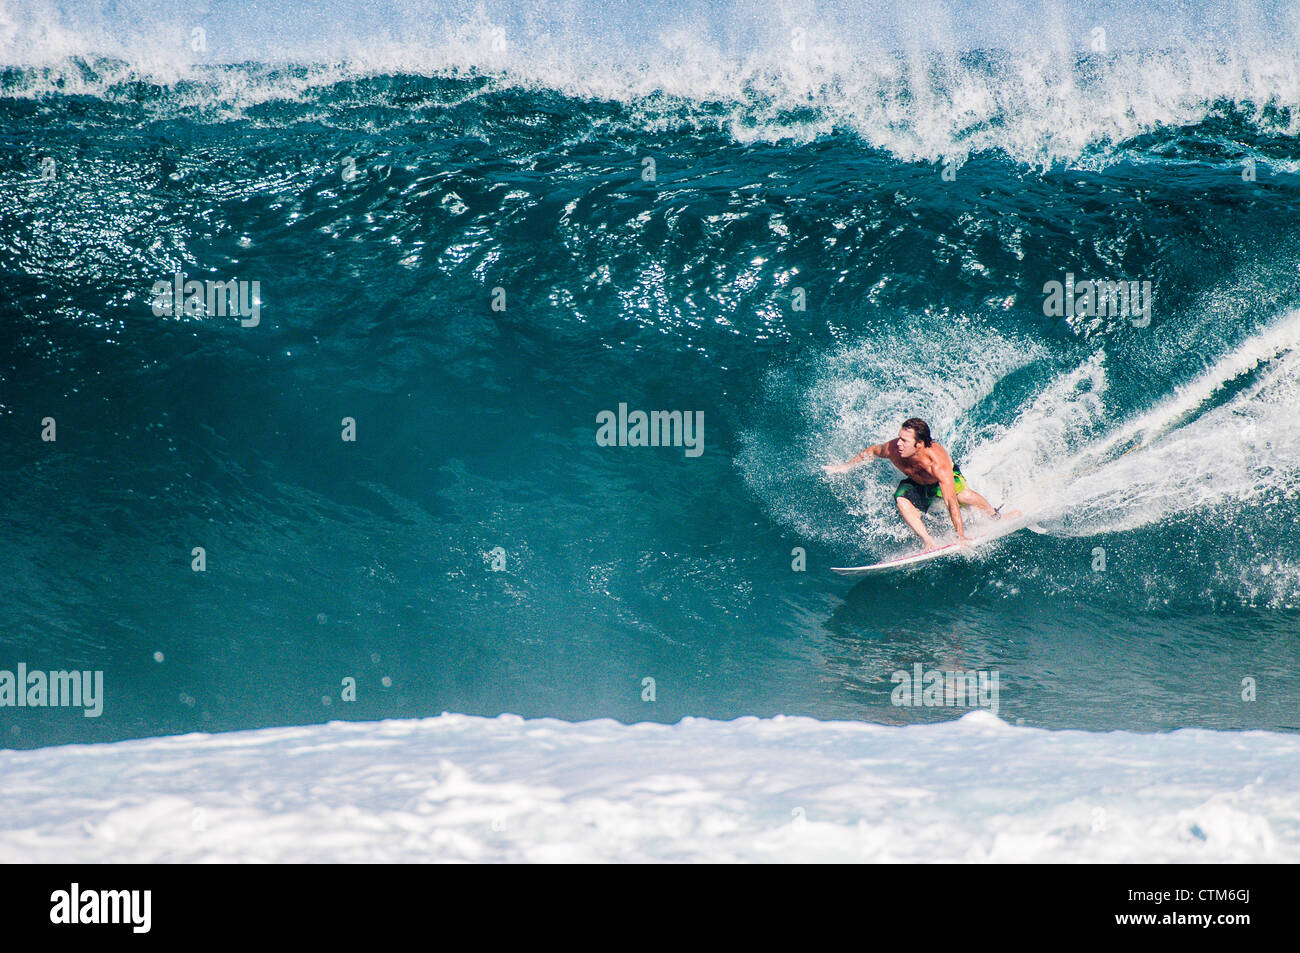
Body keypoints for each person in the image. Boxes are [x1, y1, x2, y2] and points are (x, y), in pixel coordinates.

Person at [823, 417, 1019, 551]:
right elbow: (872, 452)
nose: (898, 443)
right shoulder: (892, 448)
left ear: (919, 444)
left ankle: (996, 517)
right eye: (899, 437)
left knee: (963, 496)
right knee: (901, 499)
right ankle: (928, 542)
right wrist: (845, 467)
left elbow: (951, 501)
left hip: (937, 481)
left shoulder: (937, 463)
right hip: (917, 482)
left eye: (904, 440)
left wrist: (961, 536)